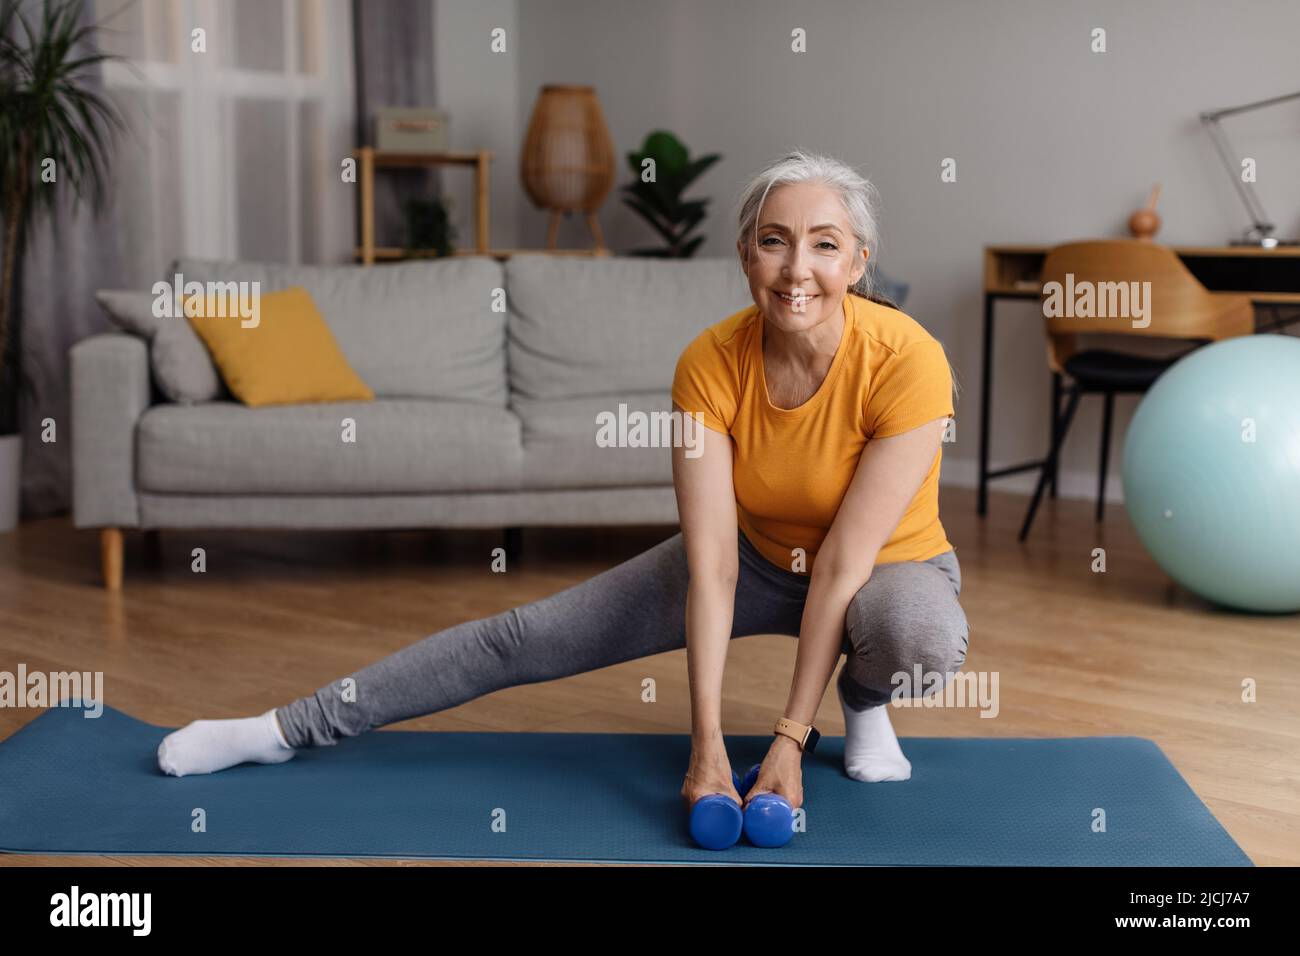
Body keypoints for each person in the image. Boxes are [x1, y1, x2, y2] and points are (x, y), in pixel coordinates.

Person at [156, 149, 969, 820]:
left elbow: (840, 564)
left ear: (859, 262)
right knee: (520, 637)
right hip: (751, 561)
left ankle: (865, 704)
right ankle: (279, 730)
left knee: (916, 636)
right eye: (774, 241)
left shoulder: (907, 359)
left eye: (825, 244)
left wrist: (790, 737)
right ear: (745, 255)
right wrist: (709, 744)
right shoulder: (709, 363)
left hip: (880, 573)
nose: (798, 268)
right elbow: (713, 563)